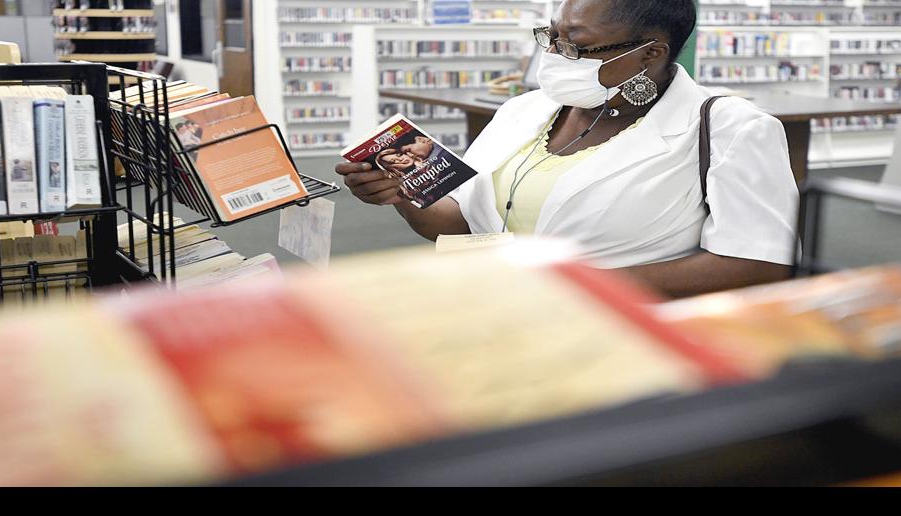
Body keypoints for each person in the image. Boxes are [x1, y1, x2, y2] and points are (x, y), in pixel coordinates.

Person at [335, 0, 798, 298]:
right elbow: (463, 226)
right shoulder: (524, 111)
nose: (553, 55)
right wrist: (404, 194)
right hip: (497, 320)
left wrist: (567, 287)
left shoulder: (733, 129)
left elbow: (758, 264)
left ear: (650, 54)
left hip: (625, 340)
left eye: (577, 45)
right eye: (551, 36)